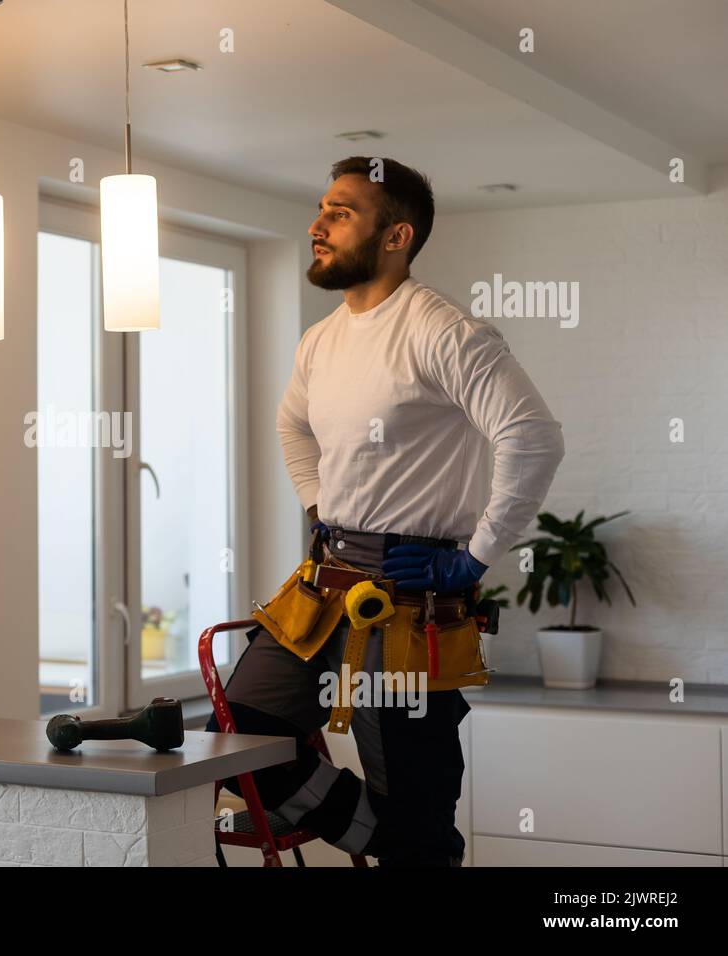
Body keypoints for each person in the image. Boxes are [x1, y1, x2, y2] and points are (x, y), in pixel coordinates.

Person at [207, 157, 566, 867]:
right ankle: (401, 842)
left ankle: (413, 839)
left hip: (413, 588)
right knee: (238, 735)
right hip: (324, 579)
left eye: (340, 212)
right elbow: (292, 426)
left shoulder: (444, 331)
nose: (317, 223)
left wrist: (476, 555)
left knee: (413, 780)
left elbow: (533, 435)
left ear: (396, 235)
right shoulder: (322, 339)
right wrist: (317, 504)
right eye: (321, 207)